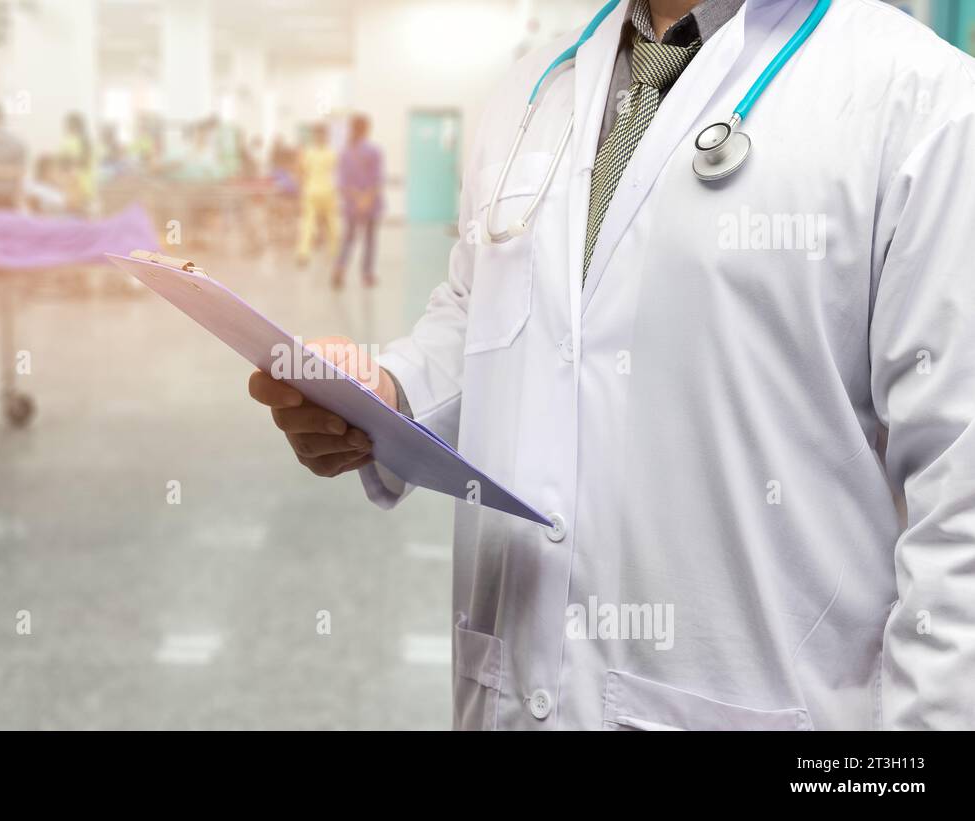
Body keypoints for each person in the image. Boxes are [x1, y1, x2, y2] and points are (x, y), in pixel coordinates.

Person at [248, 0, 975, 730]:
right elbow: (481, 314)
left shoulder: (922, 101)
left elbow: (959, 496)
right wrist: (389, 395)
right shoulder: (535, 91)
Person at [332, 114, 384, 289]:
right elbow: (377, 179)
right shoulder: (374, 151)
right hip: (371, 204)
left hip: (351, 205)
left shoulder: (345, 152)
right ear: (367, 129)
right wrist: (366, 198)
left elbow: (343, 182)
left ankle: (339, 268)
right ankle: (367, 275)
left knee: (348, 239)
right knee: (369, 240)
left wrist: (356, 198)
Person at [294, 123, 340, 267]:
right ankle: (334, 252)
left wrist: (302, 186)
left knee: (308, 223)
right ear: (326, 136)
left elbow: (301, 172)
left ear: (314, 136)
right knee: (332, 223)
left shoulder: (308, 152)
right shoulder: (332, 153)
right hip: (328, 190)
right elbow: (337, 172)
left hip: (311, 191)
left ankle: (303, 253)